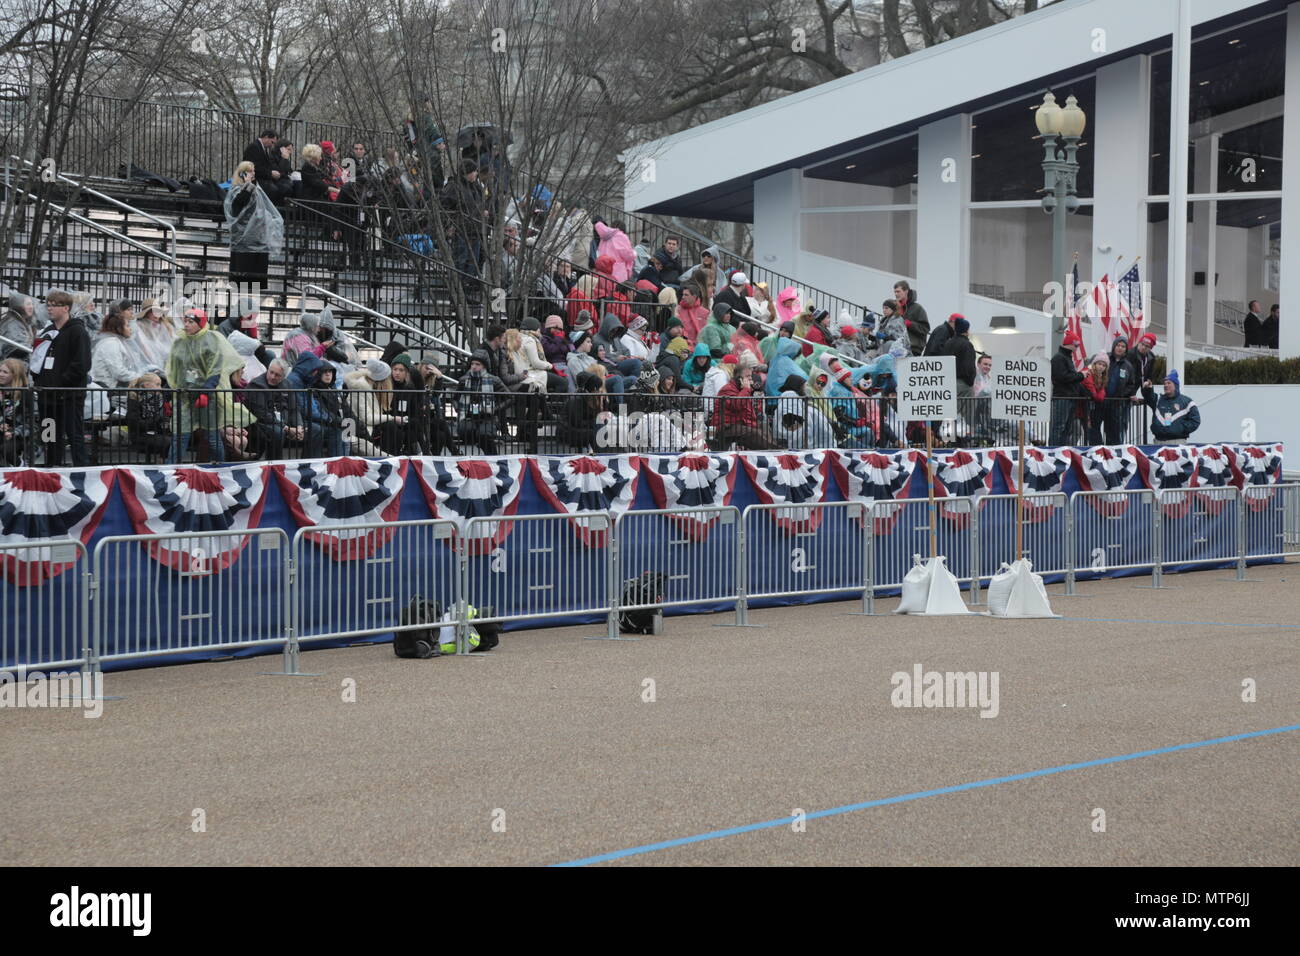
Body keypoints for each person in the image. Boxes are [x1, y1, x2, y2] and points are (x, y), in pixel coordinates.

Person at [164, 309, 244, 463]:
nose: (186, 325)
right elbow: (174, 371)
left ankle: (219, 468)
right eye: (185, 321)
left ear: (200, 324)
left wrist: (205, 393)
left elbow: (215, 370)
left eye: (191, 322)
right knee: (180, 436)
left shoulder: (212, 341)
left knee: (212, 437)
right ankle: (170, 470)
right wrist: (168, 395)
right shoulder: (180, 342)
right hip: (185, 396)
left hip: (207, 398)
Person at [31, 289, 92, 466]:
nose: (49, 309)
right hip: (47, 397)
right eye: (48, 305)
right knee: (48, 435)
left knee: (74, 435)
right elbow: (37, 360)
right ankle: (51, 467)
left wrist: (62, 381)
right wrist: (39, 381)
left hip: (69, 396)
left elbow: (81, 364)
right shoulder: (47, 332)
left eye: (54, 306)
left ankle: (82, 470)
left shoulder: (78, 332)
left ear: (66, 308)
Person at [225, 160, 284, 290]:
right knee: (243, 280)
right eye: (249, 171)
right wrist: (247, 186)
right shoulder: (237, 190)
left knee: (256, 281)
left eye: (253, 171)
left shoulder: (257, 189)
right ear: (242, 174)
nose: (253, 173)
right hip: (244, 240)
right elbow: (237, 208)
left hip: (258, 236)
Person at [244, 357, 305, 460]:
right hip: (259, 423)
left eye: (277, 375)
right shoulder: (257, 384)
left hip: (280, 422)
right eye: (271, 372)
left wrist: (299, 426)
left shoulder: (287, 384)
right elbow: (262, 414)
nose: (272, 377)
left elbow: (294, 408)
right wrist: (286, 428)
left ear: (283, 377)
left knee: (314, 429)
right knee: (277, 432)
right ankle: (275, 465)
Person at [713, 363, 772, 450]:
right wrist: (746, 389)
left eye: (751, 376)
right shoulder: (728, 389)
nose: (751, 378)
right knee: (753, 433)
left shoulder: (743, 390)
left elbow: (748, 413)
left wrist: (754, 424)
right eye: (748, 376)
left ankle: (775, 451)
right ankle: (775, 452)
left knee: (763, 426)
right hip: (725, 426)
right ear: (739, 378)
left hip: (737, 424)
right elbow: (736, 406)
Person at [456, 351, 505, 454]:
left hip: (488, 417)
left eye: (477, 364)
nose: (473, 366)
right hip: (469, 416)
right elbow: (455, 398)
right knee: (465, 430)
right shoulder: (464, 380)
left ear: (484, 366)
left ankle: (493, 458)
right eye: (472, 364)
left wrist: (494, 409)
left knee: (484, 434)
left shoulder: (494, 380)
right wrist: (458, 409)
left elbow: (511, 398)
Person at [1050, 329, 1086, 446]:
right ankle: (1054, 450)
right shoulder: (1059, 358)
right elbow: (1062, 377)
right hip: (1062, 397)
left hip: (1069, 397)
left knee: (1066, 428)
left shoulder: (1065, 357)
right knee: (1059, 427)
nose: (1077, 348)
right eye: (1076, 345)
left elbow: (1066, 376)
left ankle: (1060, 449)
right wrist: (1081, 376)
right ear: (1070, 344)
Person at [1146, 370, 1200, 443]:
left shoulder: (1187, 402)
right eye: (1164, 383)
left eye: (1169, 383)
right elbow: (1149, 397)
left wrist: (1181, 428)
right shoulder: (1158, 400)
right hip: (1158, 442)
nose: (1166, 385)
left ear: (1176, 385)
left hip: (1178, 442)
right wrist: (1148, 389)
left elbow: (1195, 421)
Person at [1104, 336, 1139, 444]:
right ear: (1114, 346)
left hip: (1118, 404)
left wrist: (1121, 394)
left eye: (1123, 346)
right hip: (1102, 400)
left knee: (1115, 431)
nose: (1120, 348)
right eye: (1118, 345)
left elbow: (1131, 384)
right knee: (1099, 429)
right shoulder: (1105, 360)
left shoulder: (1128, 366)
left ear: (1126, 349)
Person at [127, 298, 177, 372]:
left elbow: (172, 343)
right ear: (147, 313)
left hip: (166, 364)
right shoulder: (140, 326)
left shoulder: (165, 326)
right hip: (148, 366)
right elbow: (143, 346)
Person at [0, 358, 34, 465]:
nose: (0, 374)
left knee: (6, 449)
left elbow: (31, 423)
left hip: (20, 435)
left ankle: (22, 468)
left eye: (5, 372)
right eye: (0, 371)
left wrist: (13, 432)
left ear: (15, 375)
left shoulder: (25, 393)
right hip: (2, 432)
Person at [242, 128, 291, 202]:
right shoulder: (254, 147)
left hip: (262, 178)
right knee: (275, 190)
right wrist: (270, 173)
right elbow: (254, 167)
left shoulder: (261, 148)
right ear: (266, 137)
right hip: (255, 179)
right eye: (272, 142)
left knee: (284, 187)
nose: (272, 145)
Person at [943, 317, 976, 398]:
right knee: (966, 409)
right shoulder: (967, 344)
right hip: (963, 384)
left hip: (948, 382)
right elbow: (968, 366)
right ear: (966, 330)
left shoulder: (948, 342)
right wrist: (970, 382)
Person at [894, 280, 929, 356]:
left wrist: (910, 324)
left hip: (913, 348)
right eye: (895, 292)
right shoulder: (894, 307)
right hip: (895, 347)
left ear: (906, 291)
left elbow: (925, 329)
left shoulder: (917, 308)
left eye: (898, 291)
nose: (896, 294)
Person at [1081, 353, 1110, 446]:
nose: (1101, 367)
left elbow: (1100, 395)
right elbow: (1095, 394)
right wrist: (1099, 393)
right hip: (1083, 408)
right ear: (1094, 364)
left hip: (1093, 409)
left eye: (1104, 365)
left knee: (1094, 430)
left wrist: (1099, 393)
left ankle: (1098, 449)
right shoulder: (1088, 374)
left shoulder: (1102, 377)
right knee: (1088, 431)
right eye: (1099, 364)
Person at [0, 292, 39, 359]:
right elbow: (16, 347)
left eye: (32, 304)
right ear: (19, 306)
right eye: (28, 304)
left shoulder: (23, 321)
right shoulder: (12, 323)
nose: (31, 307)